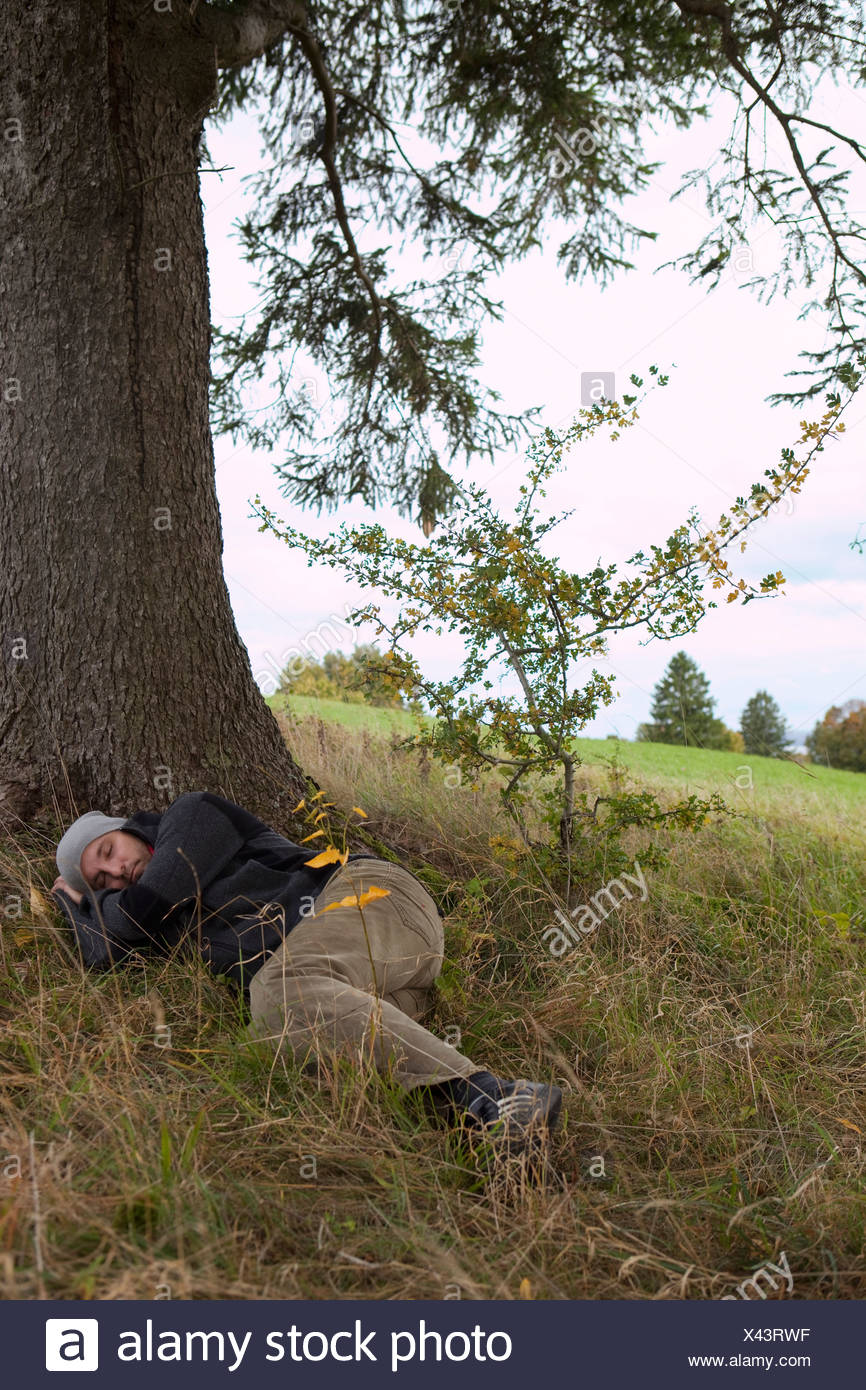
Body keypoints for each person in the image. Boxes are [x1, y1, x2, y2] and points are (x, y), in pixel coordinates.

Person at [52, 790, 562, 1158]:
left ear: (122, 828)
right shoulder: (154, 913)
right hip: (367, 971)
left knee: (276, 993)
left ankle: (497, 1096)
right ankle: (485, 1129)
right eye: (102, 881)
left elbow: (138, 913)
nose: (117, 870)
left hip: (371, 897)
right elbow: (104, 955)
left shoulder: (190, 816)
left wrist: (84, 904)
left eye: (107, 852)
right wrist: (70, 904)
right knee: (265, 1047)